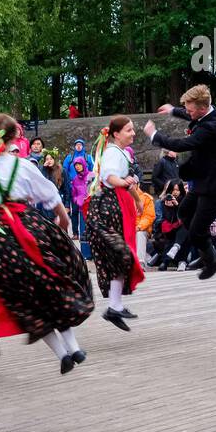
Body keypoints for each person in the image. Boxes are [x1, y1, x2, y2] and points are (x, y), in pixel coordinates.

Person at [0, 114, 93, 371]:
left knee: (27, 298)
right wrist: (62, 222)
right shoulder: (22, 165)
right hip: (28, 227)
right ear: (16, 138)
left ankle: (63, 355)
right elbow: (50, 195)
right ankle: (74, 348)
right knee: (52, 284)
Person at [143, 84, 216, 280]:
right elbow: (192, 115)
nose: (188, 112)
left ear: (202, 108)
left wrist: (154, 135)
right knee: (183, 213)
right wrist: (173, 111)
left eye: (190, 109)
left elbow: (181, 144)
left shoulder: (211, 127)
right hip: (204, 180)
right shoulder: (206, 114)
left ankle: (212, 260)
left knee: (196, 231)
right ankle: (207, 251)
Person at [86, 117, 147, 331]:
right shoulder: (112, 152)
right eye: (129, 130)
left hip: (117, 204)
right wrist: (124, 182)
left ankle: (115, 305)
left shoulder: (121, 152)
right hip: (109, 207)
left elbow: (124, 180)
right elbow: (110, 176)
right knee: (122, 253)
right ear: (116, 134)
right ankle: (114, 305)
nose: (133, 133)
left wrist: (138, 200)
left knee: (122, 255)